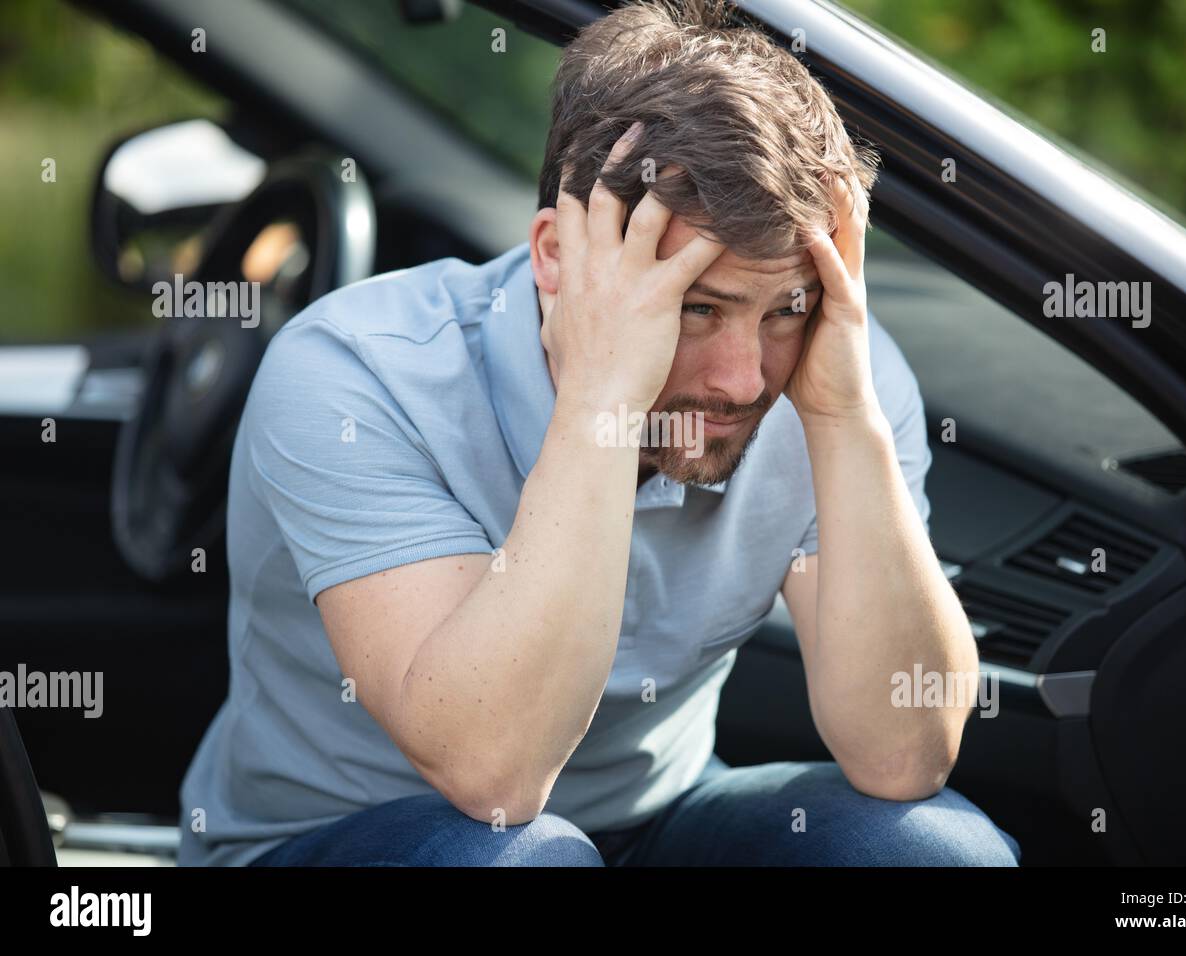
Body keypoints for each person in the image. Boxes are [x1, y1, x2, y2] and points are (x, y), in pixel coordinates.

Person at [178, 0, 1020, 867]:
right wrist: (601, 400)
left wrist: (845, 420)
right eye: (697, 308)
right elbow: (493, 776)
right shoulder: (356, 375)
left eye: (784, 307)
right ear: (557, 257)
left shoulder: (830, 369)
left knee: (934, 851)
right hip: (352, 843)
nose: (742, 378)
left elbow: (903, 755)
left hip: (653, 820)